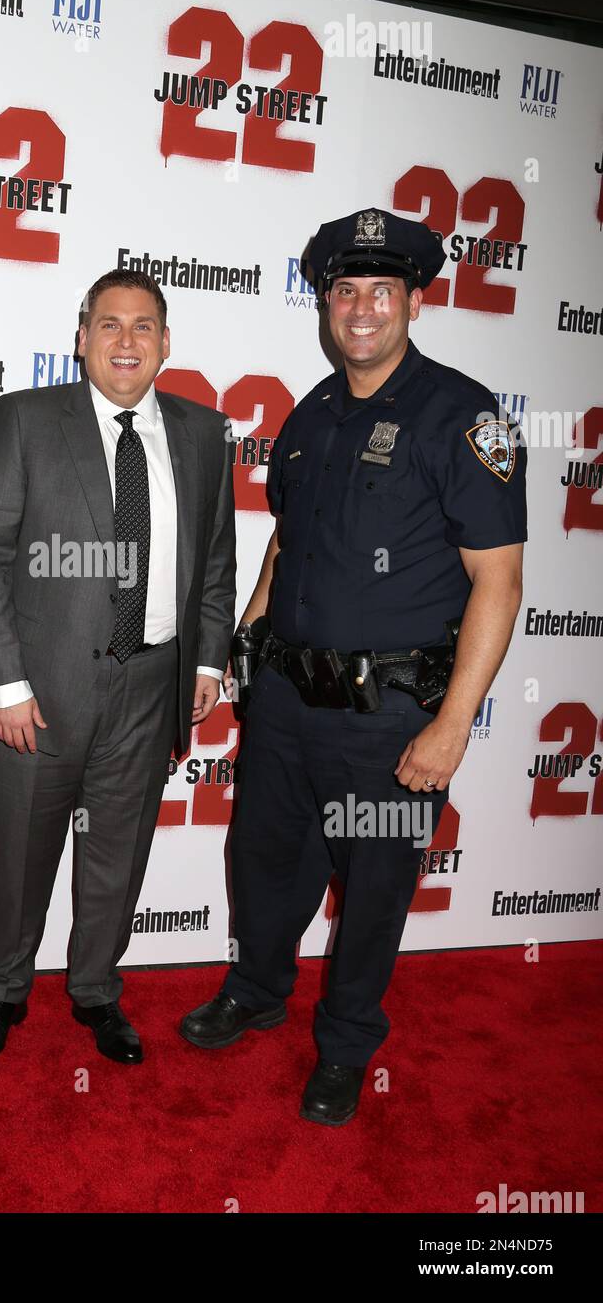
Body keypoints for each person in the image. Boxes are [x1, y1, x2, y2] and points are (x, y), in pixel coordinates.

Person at [181, 208, 526, 1125]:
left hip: (390, 720)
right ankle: (256, 991)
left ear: (415, 299)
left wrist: (451, 725)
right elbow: (288, 548)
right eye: (346, 291)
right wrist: (239, 645)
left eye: (382, 290)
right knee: (264, 864)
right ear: (326, 305)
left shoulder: (463, 414)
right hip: (286, 703)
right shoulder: (311, 414)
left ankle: (344, 1045)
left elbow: (498, 583)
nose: (363, 308)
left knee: (373, 889)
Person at [0, 269, 235, 1064]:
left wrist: (208, 659)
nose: (126, 342)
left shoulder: (205, 434)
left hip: (152, 686)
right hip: (35, 693)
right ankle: (5, 990)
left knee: (119, 852)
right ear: (81, 338)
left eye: (143, 327)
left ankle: (96, 990)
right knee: (23, 853)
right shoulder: (25, 419)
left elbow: (215, 562)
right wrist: (3, 681)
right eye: (108, 325)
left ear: (166, 343)